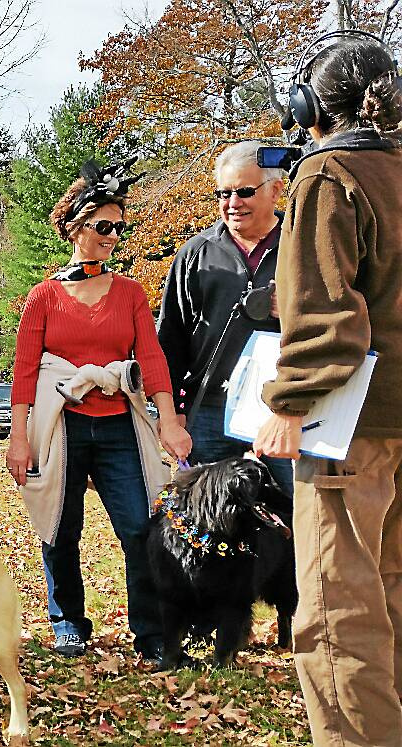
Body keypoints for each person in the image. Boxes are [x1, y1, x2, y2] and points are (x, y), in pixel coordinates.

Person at [252, 31, 402, 746]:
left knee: (339, 610)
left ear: (308, 104)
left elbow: (326, 310)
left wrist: (291, 400)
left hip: (352, 426)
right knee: (394, 597)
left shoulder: (327, 173)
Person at [5, 159, 191, 664]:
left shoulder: (131, 293)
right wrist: (18, 437)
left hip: (118, 429)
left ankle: (152, 634)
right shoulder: (43, 296)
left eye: (118, 227)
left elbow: (151, 358)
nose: (112, 236)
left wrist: (169, 420)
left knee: (139, 529)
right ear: (74, 227)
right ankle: (68, 622)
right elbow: (24, 370)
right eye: (102, 226)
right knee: (59, 529)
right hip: (61, 428)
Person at [156, 141, 293, 495]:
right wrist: (170, 415)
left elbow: (341, 319)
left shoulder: (304, 246)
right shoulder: (194, 254)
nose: (233, 204)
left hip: (283, 413)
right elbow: (169, 340)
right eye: (224, 193)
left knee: (292, 524)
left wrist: (296, 308)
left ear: (276, 189)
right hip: (208, 414)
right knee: (207, 527)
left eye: (245, 191)